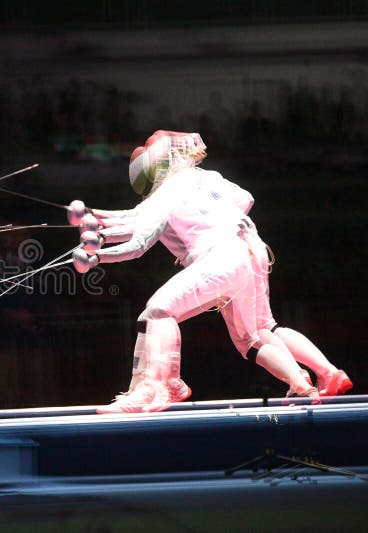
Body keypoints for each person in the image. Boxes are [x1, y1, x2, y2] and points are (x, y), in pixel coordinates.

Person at [72, 130, 351, 413]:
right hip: (251, 248)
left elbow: (137, 243)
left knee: (158, 311)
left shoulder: (164, 194)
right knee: (261, 331)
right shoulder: (205, 177)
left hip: (222, 258)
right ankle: (317, 377)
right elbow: (246, 199)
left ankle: (158, 388)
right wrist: (95, 220)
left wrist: (97, 256)